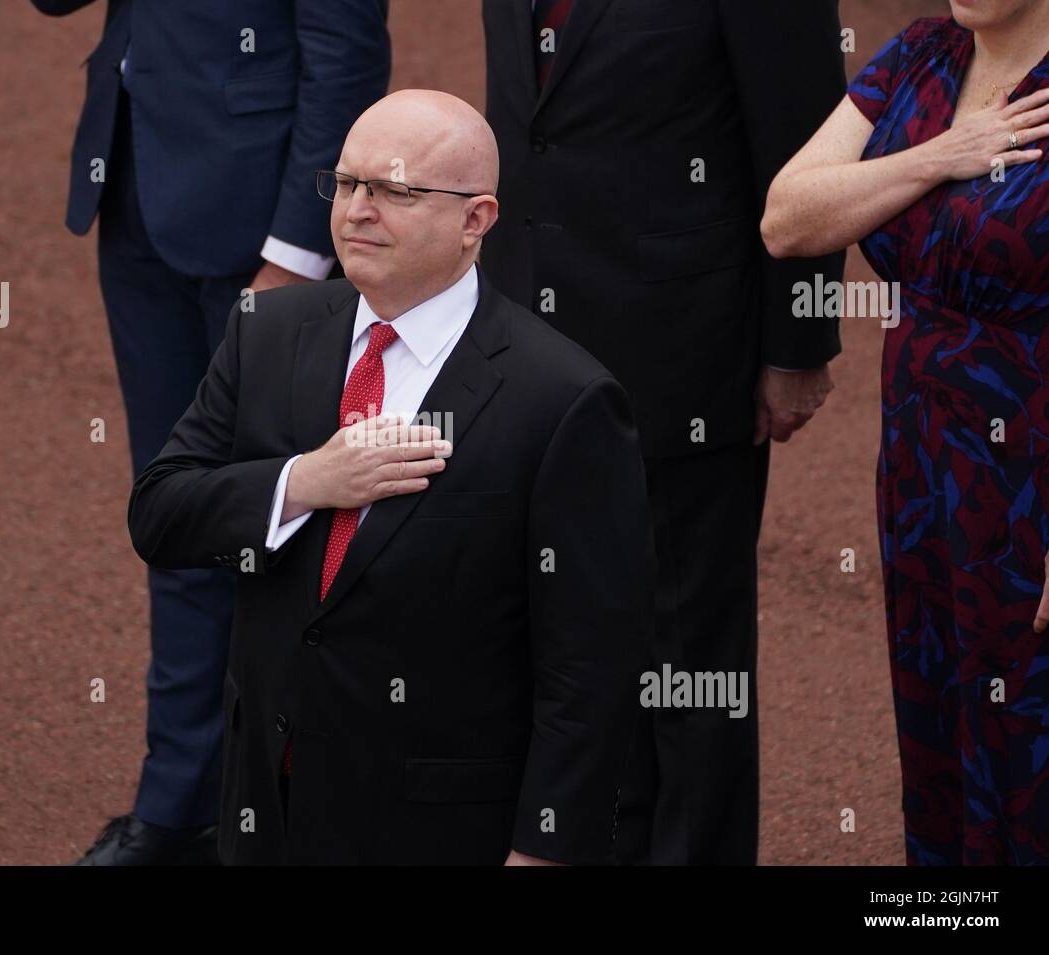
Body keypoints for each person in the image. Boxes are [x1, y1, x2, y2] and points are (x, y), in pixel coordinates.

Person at [126, 89, 655, 865]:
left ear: (476, 219)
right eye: (344, 184)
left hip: (438, 828)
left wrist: (546, 847)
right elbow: (161, 514)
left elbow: (592, 662)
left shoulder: (564, 399)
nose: (355, 211)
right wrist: (304, 481)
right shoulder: (266, 332)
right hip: (265, 808)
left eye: (394, 190)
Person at [480, 0, 847, 864]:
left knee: (687, 679)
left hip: (682, 358)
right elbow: (525, 123)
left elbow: (808, 142)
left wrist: (797, 343)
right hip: (522, 347)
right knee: (550, 647)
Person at [30, 0, 391, 864]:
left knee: (290, 524)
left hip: (257, 229)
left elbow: (346, 52)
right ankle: (182, 800)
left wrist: (296, 251)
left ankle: (286, 806)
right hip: (136, 194)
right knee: (178, 508)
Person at [762, 0, 1049, 865]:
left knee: (1028, 730)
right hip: (923, 453)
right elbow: (788, 217)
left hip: (1031, 466)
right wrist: (943, 156)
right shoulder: (923, 54)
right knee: (938, 714)